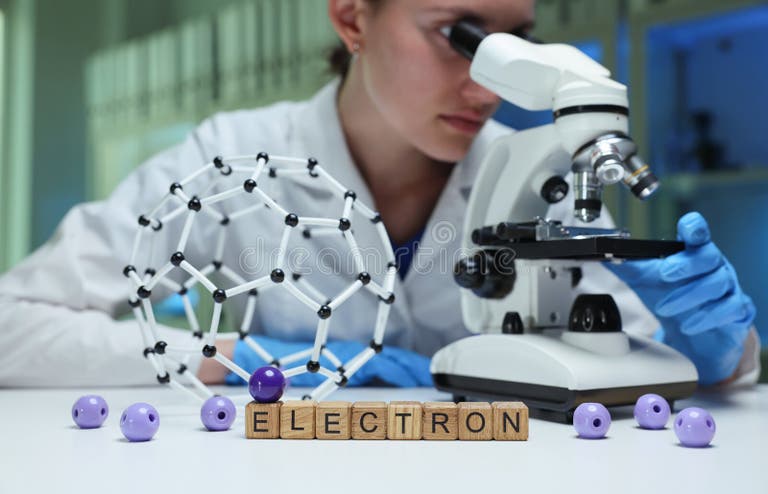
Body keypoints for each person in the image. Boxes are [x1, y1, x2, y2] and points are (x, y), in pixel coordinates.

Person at [0, 0, 759, 389]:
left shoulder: (532, 174)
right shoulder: (230, 157)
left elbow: (643, 355)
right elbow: (13, 328)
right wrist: (234, 355)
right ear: (353, 16)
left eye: (517, 43)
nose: (487, 81)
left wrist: (718, 352)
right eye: (461, 36)